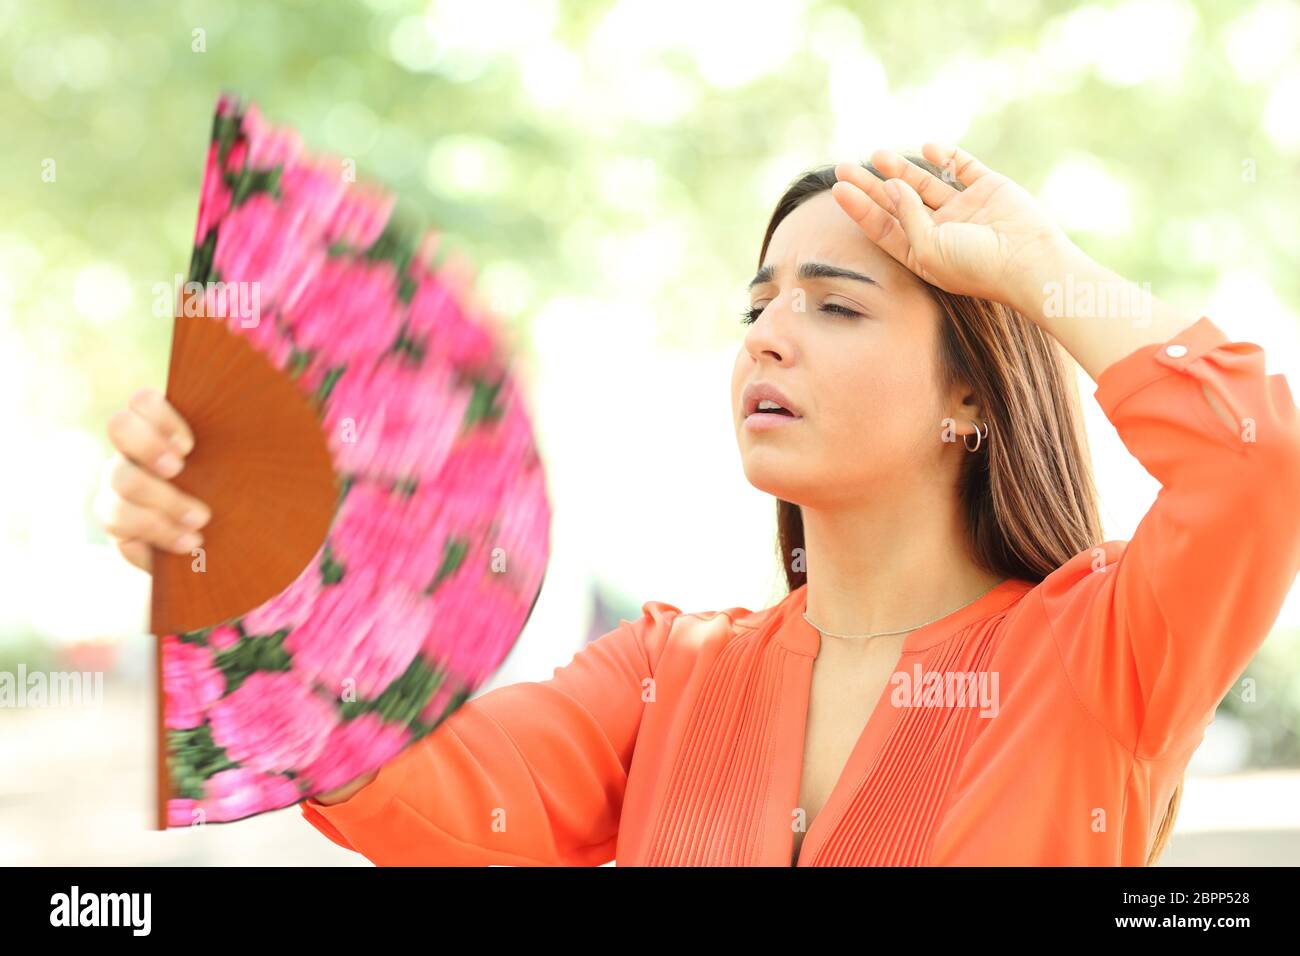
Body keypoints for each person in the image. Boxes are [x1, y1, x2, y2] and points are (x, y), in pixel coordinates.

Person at [97, 144, 1300, 866]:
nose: (769, 335)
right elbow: (402, 782)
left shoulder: (1099, 654)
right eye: (758, 305)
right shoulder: (667, 672)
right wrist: (221, 534)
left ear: (971, 398)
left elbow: (1257, 459)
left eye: (834, 305)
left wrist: (1034, 262)